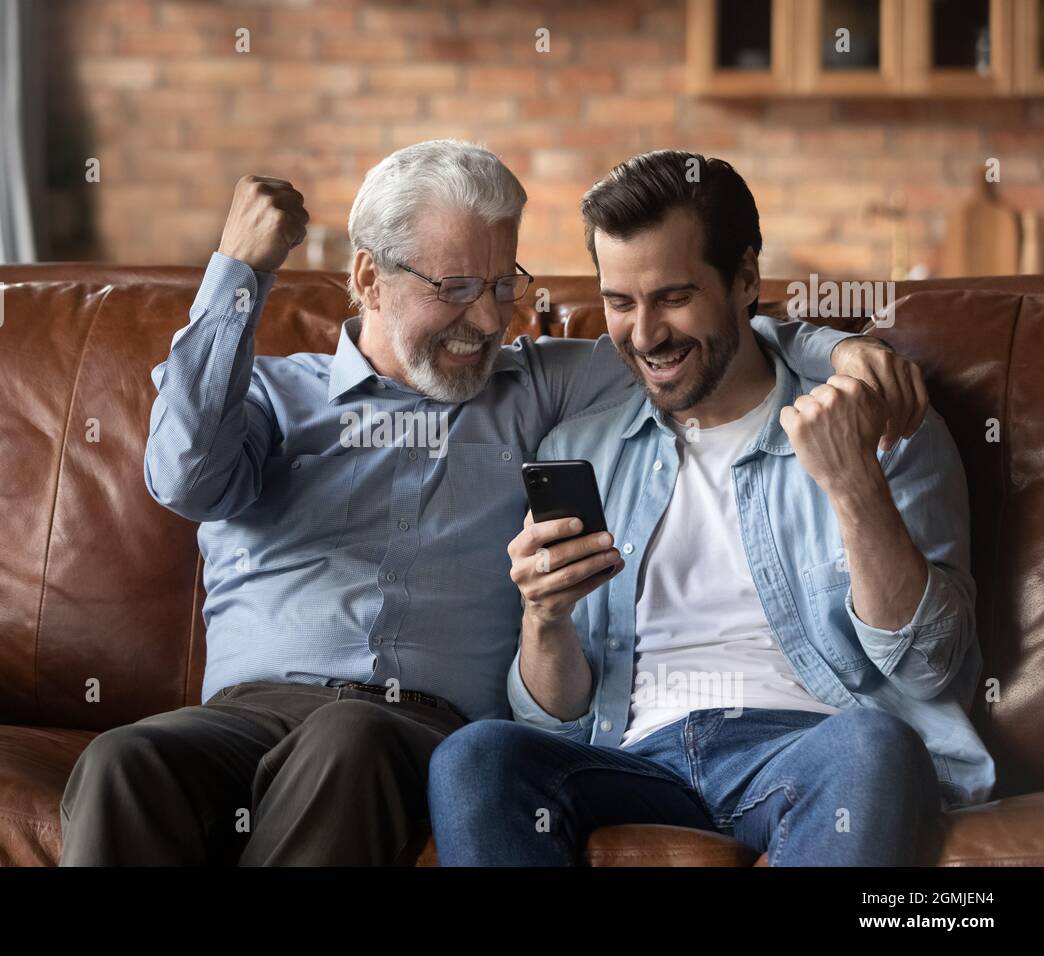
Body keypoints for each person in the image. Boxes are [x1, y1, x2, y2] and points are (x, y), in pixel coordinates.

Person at [59, 141, 927, 866]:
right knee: (119, 762)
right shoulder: (276, 398)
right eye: (456, 290)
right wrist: (239, 272)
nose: (491, 321)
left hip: (407, 727)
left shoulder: (541, 389)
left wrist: (842, 352)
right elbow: (182, 476)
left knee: (347, 742)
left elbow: (695, 342)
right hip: (247, 713)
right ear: (367, 277)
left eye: (503, 284)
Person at [427, 150, 993, 866]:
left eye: (672, 297)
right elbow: (560, 725)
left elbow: (931, 670)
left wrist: (855, 488)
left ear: (746, 279)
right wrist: (546, 619)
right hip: (635, 761)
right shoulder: (585, 446)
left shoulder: (881, 425)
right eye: (620, 302)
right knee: (476, 756)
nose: (644, 334)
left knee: (876, 744)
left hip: (811, 747)